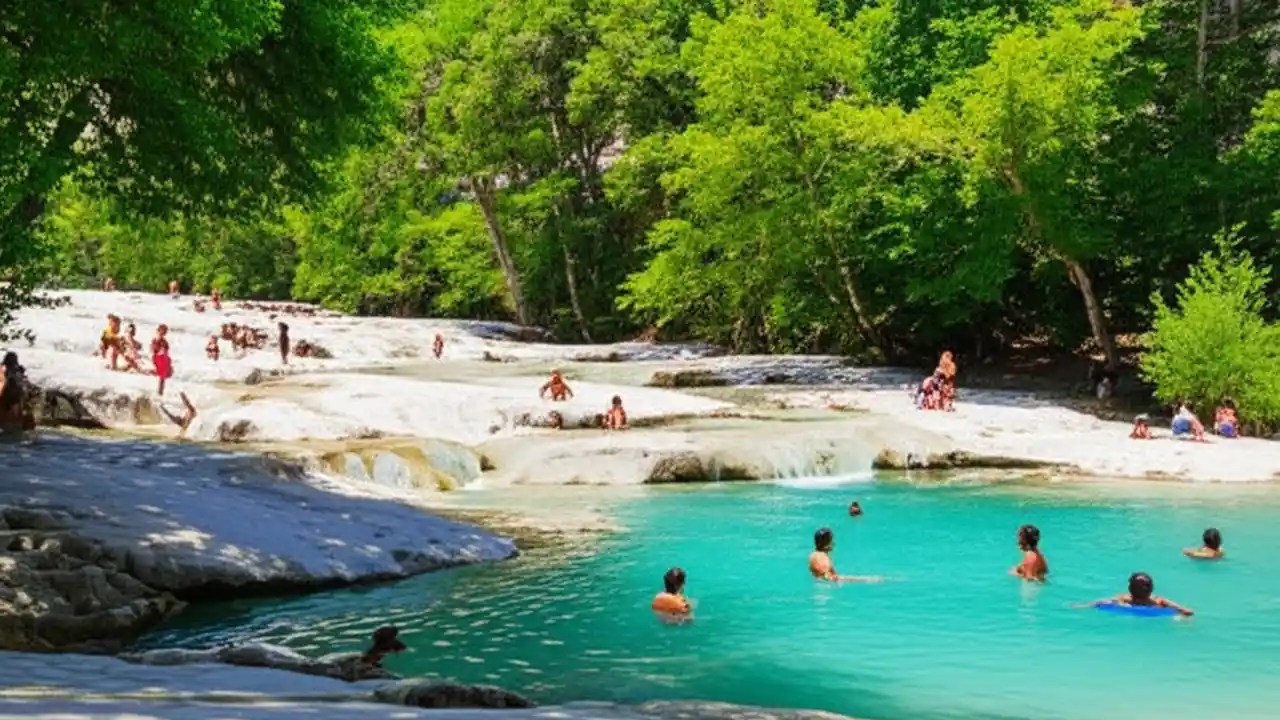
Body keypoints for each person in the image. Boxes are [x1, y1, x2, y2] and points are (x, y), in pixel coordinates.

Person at [1081, 572, 1193, 616]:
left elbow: (1098, 603)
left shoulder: (1123, 599)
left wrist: (1083, 606)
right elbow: (1187, 611)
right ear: (1152, 588)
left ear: (1130, 588)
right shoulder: (1159, 601)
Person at [808, 528, 881, 583]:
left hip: (819, 583)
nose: (833, 543)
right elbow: (827, 577)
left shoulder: (813, 555)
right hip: (826, 586)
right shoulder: (823, 558)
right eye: (831, 540)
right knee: (872, 579)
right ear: (827, 543)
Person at [0, 351, 33, 433]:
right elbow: (26, 384)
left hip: (6, 396)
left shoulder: (4, 370)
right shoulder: (19, 371)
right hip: (17, 398)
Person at [150, 324, 173, 396]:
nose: (162, 334)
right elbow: (153, 350)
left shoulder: (164, 341)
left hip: (163, 359)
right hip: (159, 358)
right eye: (161, 332)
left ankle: (160, 391)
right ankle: (160, 391)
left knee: (163, 376)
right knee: (162, 375)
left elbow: (166, 350)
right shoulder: (155, 340)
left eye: (164, 332)